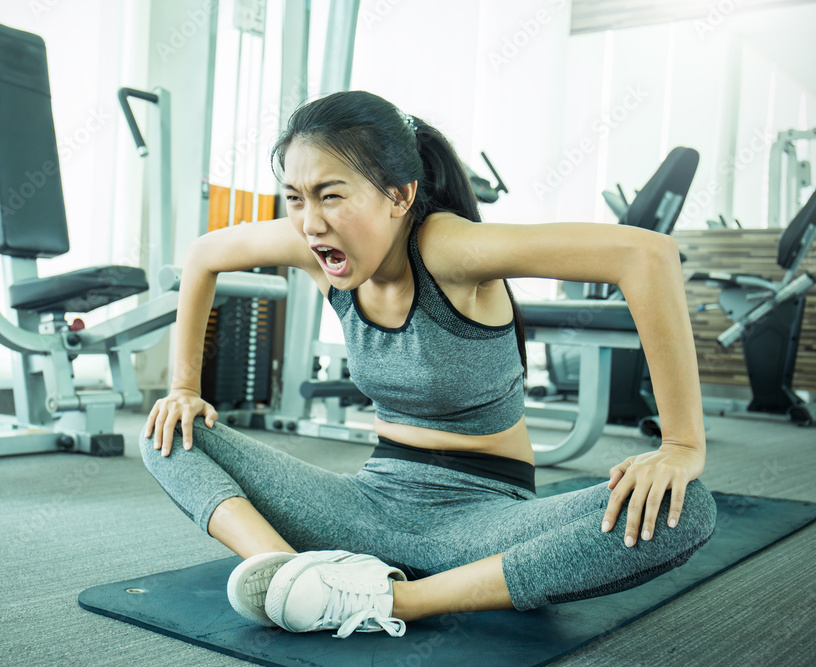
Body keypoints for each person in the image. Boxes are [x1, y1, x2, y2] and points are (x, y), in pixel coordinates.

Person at [141, 90, 716, 639]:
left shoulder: (448, 248)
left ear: (399, 196)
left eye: (331, 194)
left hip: (485, 520)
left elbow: (646, 253)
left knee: (684, 509)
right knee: (169, 432)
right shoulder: (314, 245)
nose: (311, 221)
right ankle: (295, 573)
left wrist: (681, 444)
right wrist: (184, 387)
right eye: (295, 197)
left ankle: (392, 599)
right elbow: (203, 255)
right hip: (368, 506)